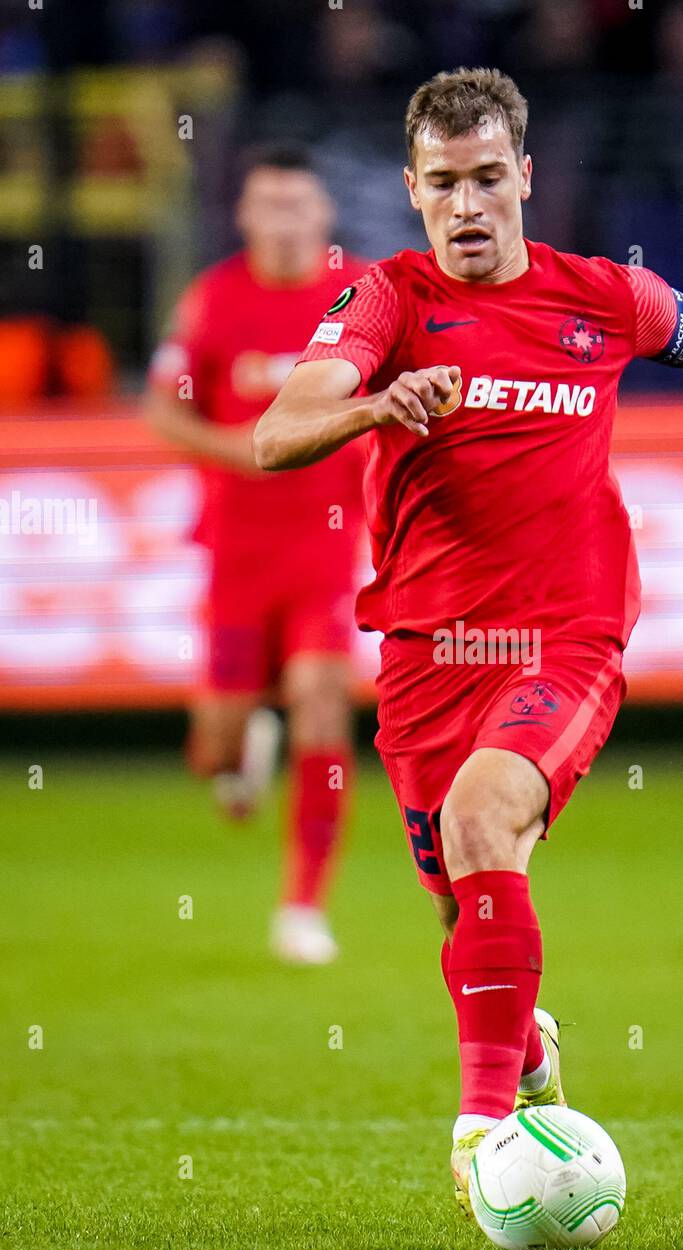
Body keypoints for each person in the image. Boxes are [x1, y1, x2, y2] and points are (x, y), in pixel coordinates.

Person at [253, 69, 683, 1207]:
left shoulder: (604, 298)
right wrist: (376, 402)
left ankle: (480, 1135)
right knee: (462, 895)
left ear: (523, 176)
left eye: (485, 181)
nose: (467, 207)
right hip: (421, 657)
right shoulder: (386, 302)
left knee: (480, 818)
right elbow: (278, 432)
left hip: (564, 639)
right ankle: (524, 1060)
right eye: (442, 187)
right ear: (412, 192)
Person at [144, 142, 368, 965]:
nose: (282, 222)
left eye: (296, 205)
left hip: (326, 546)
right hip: (236, 551)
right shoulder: (213, 300)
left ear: (323, 214)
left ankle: (303, 907)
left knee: (321, 699)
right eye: (266, 205)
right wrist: (238, 450)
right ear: (243, 215)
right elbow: (163, 411)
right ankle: (244, 752)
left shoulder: (359, 296)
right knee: (217, 747)